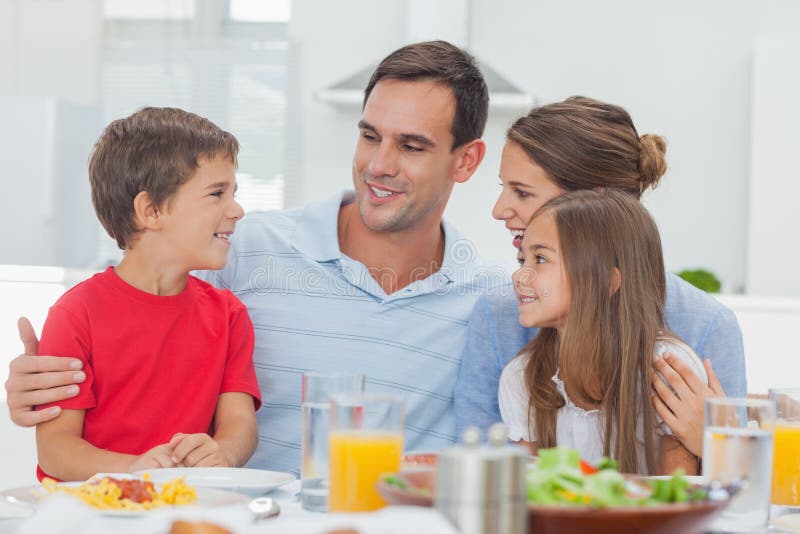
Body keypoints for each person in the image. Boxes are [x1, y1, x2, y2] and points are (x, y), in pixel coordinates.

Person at [5, 41, 496, 474]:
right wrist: (41, 380)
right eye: (370, 136)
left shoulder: (491, 305)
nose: (379, 165)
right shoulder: (242, 250)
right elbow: (131, 292)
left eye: (411, 146)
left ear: (466, 160)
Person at [455, 96, 745, 457]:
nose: (499, 210)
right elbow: (478, 464)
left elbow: (735, 490)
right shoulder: (500, 316)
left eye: (523, 192)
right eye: (504, 188)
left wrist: (714, 444)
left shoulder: (707, 325)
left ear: (591, 205)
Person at [30, 107, 261, 481]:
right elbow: (56, 448)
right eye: (217, 193)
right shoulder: (76, 313)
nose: (236, 209)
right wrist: (133, 471)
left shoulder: (229, 315)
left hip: (183, 508)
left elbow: (240, 425)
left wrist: (223, 452)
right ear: (151, 210)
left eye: (234, 193)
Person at [499, 189, 705, 474]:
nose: (519, 276)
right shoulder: (522, 377)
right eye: (523, 260)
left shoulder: (665, 369)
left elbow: (677, 500)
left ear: (608, 282)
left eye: (541, 259)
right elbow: (535, 497)